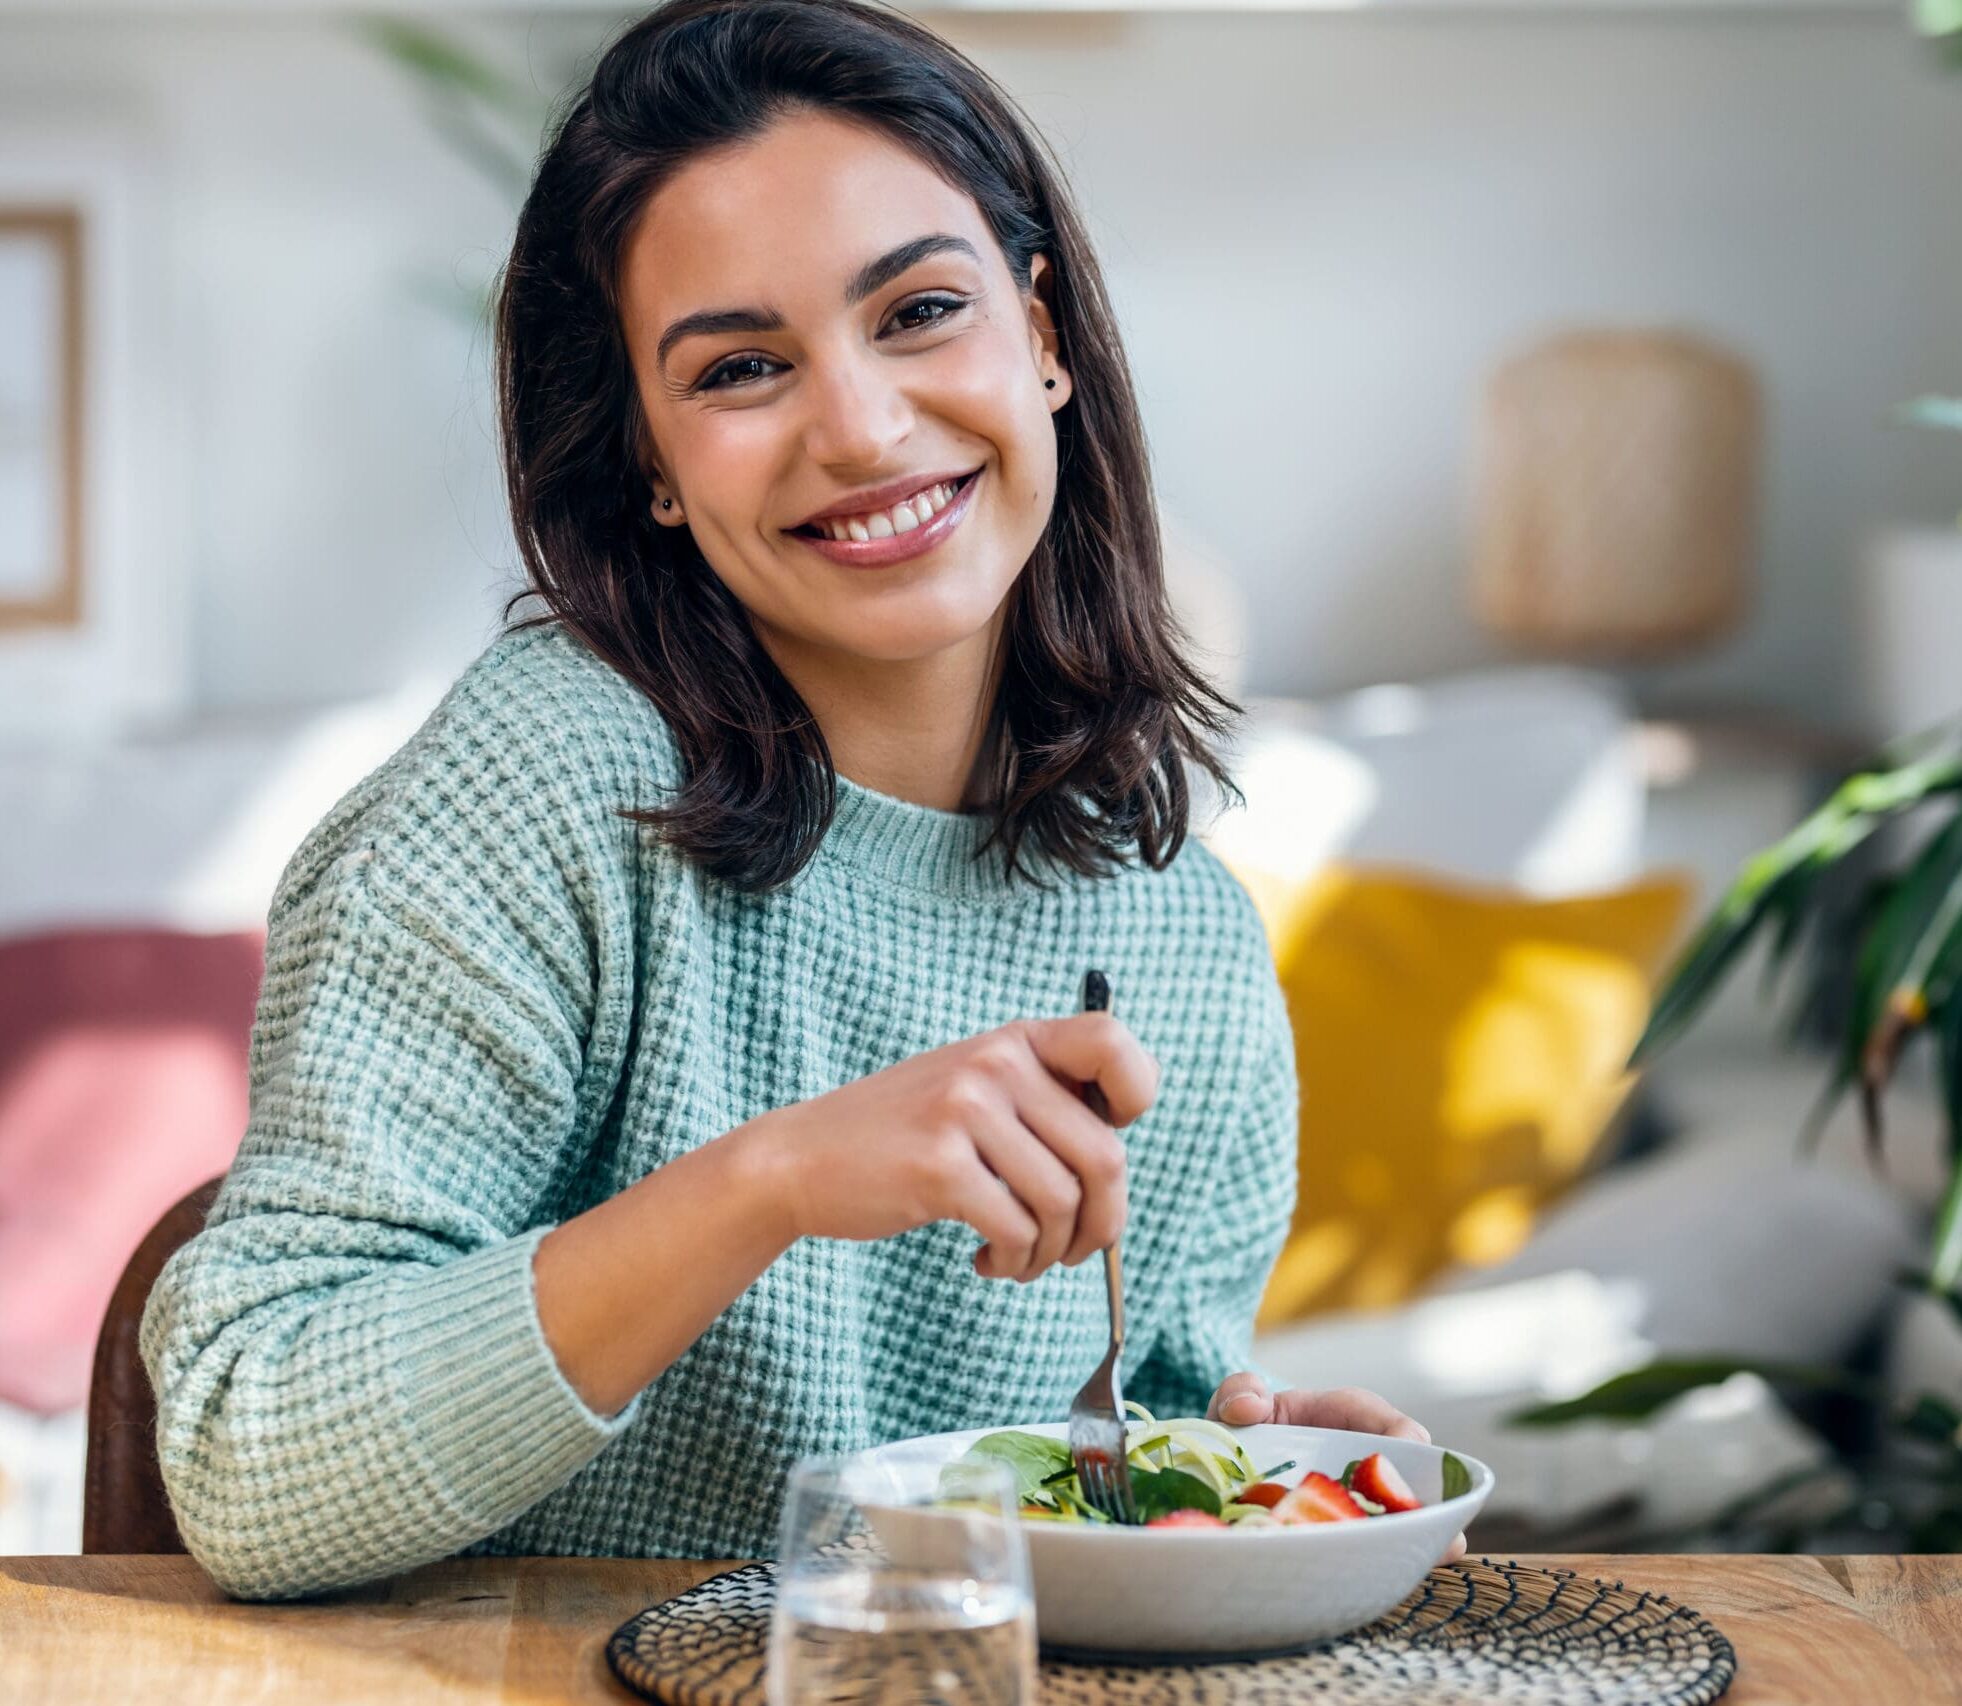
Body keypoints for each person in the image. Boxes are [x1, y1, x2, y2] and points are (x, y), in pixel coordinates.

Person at [141, 0, 1451, 1601]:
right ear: (653, 466)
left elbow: (1111, 1444)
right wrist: (767, 1181)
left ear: (1039, 340)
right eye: (744, 367)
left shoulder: (1183, 943)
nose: (860, 425)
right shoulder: (543, 785)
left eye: (918, 312)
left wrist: (1224, 1470)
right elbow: (245, 1458)